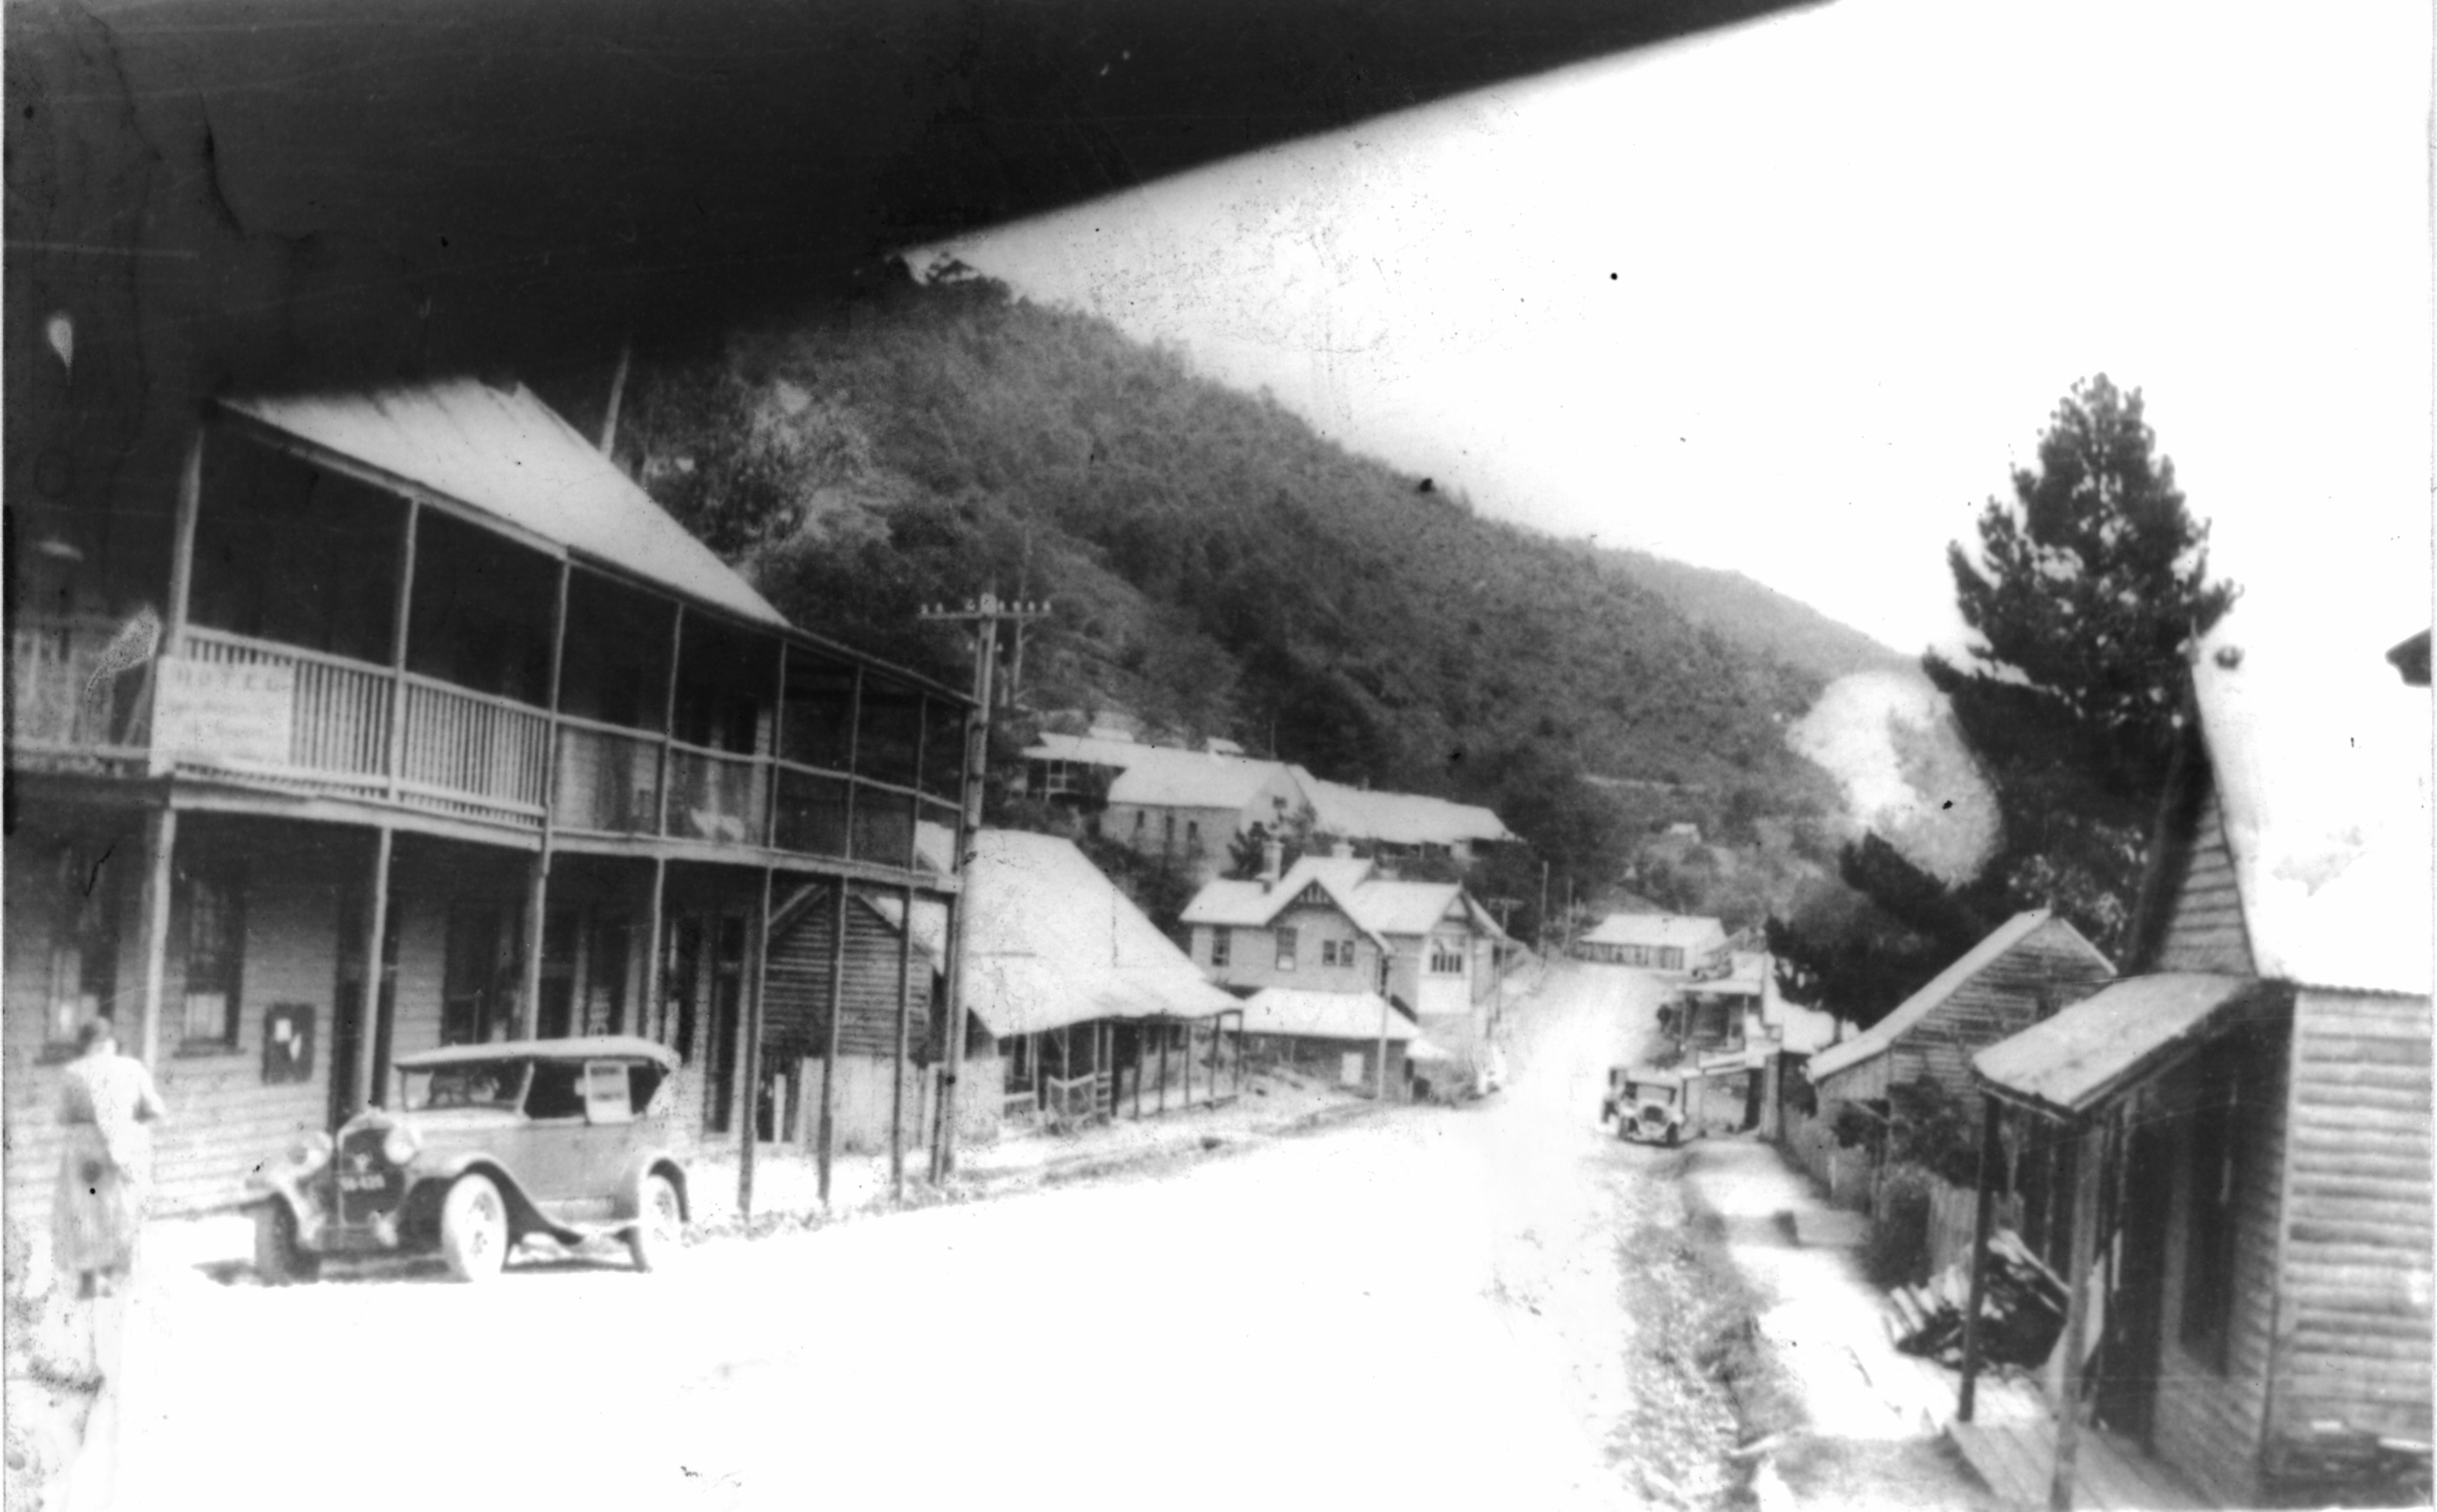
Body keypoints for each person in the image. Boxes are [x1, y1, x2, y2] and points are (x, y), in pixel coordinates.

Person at [53, 1018, 167, 1299]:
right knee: (119, 1210)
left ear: (85, 1045)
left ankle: (88, 1278)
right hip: (124, 1151)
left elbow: (62, 1116)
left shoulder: (72, 1072)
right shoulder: (133, 1069)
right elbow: (155, 1109)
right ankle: (112, 1276)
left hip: (85, 1154)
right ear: (112, 1043)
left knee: (85, 1210)